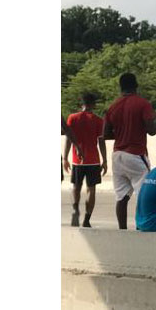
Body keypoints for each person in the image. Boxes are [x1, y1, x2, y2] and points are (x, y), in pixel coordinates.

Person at [102, 72, 156, 230]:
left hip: (117, 155)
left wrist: (121, 132)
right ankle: (142, 226)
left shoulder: (113, 106)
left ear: (121, 87)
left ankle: (122, 230)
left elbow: (105, 134)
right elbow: (151, 130)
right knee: (144, 193)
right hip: (135, 154)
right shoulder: (142, 104)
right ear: (136, 85)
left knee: (121, 196)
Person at [64, 91, 107, 228]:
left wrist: (65, 158)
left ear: (81, 103)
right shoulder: (99, 121)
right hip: (93, 160)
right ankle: (87, 219)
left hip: (77, 160)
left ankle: (75, 208)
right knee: (91, 190)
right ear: (93, 104)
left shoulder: (72, 118)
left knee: (76, 187)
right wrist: (104, 160)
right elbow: (101, 142)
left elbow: (68, 139)